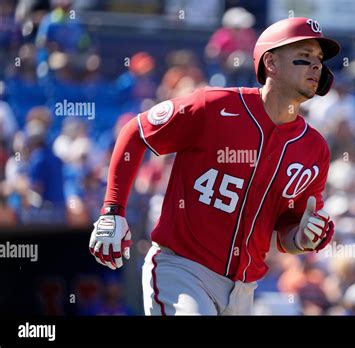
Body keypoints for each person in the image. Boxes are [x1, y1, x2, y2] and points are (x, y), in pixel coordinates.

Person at [89, 17, 339, 315]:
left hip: (244, 290)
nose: (316, 66)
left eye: (320, 60)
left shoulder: (314, 148)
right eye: (305, 56)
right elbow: (135, 133)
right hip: (182, 271)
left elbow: (287, 229)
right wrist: (113, 210)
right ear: (270, 62)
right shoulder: (215, 105)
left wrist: (303, 237)